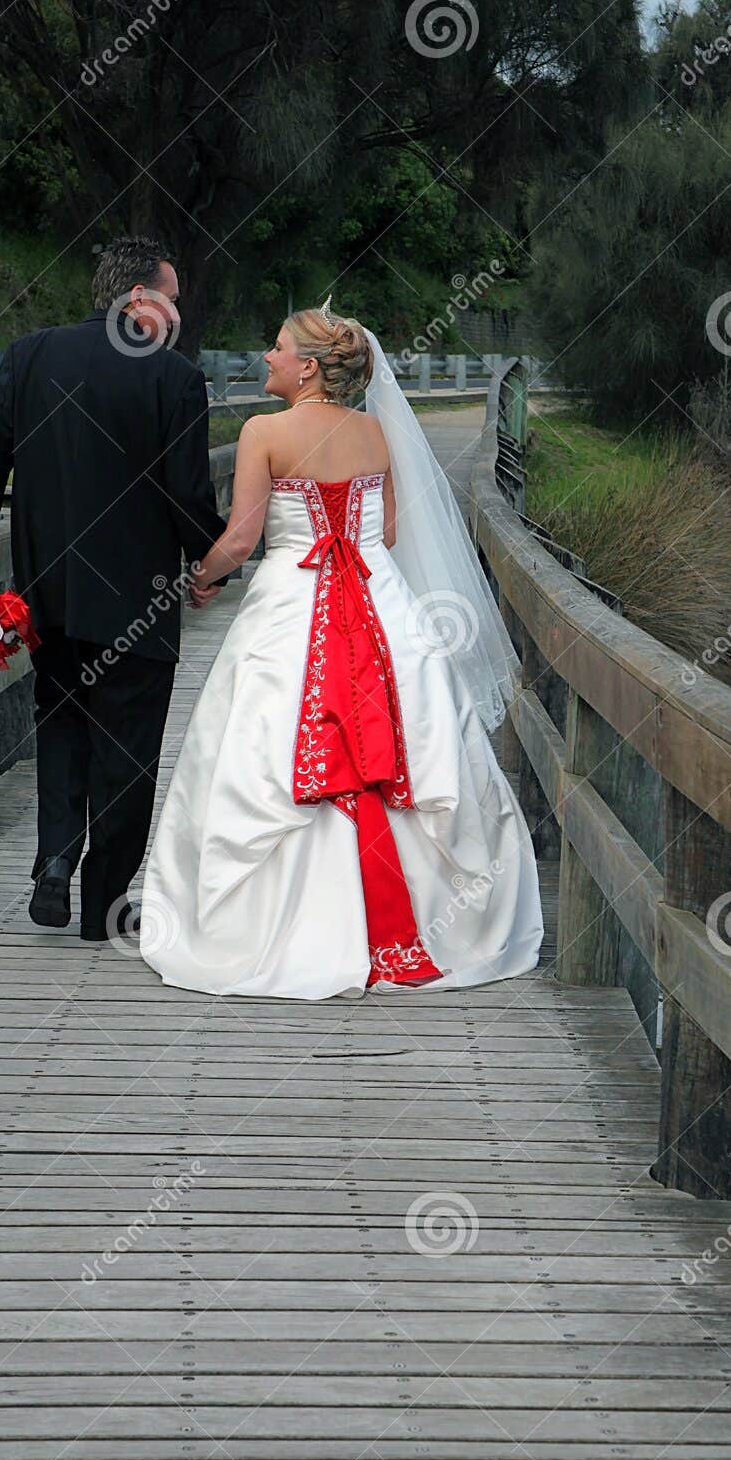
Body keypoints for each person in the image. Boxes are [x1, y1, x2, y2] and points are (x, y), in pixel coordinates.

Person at [139, 303, 543, 998]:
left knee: (261, 736)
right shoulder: (376, 433)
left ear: (305, 367)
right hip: (376, 595)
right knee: (412, 729)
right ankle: (418, 926)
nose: (265, 358)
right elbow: (383, 533)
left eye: (274, 347)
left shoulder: (264, 431)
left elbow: (240, 540)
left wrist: (196, 580)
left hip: (290, 601)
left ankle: (289, 929)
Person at [0, 235, 226, 940]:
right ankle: (104, 901)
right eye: (173, 301)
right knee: (127, 746)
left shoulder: (30, 355)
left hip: (51, 593)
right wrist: (211, 565)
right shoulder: (174, 380)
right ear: (140, 300)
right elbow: (187, 493)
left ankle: (55, 862)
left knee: (61, 723)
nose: (177, 316)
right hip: (139, 600)